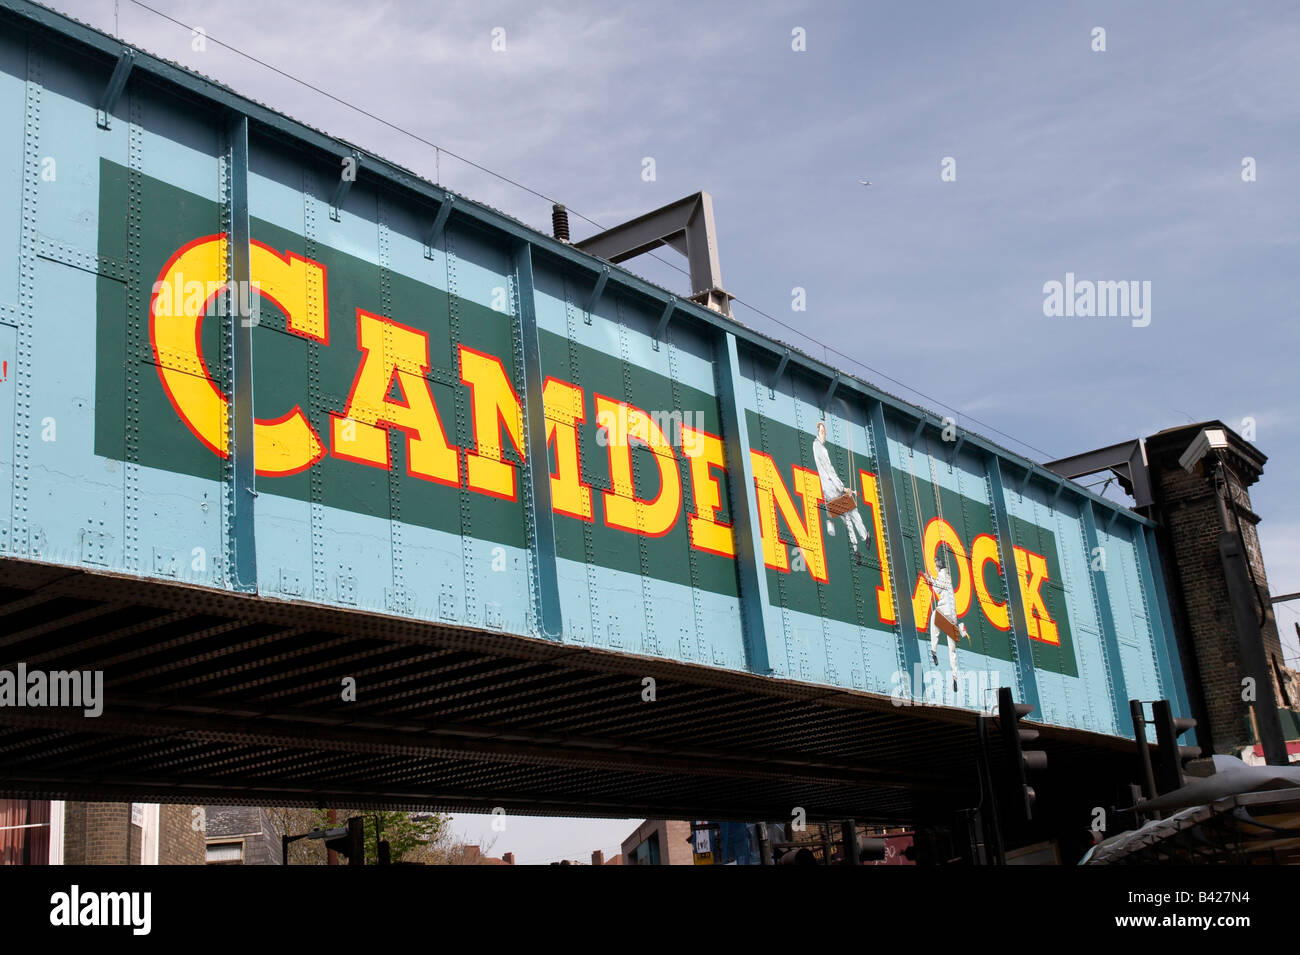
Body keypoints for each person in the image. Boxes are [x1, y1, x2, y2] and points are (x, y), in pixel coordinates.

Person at [812, 421, 869, 560]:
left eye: (824, 432)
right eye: (823, 432)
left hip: (828, 492)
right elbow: (830, 470)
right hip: (834, 489)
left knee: (846, 520)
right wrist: (843, 488)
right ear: (819, 433)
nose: (824, 435)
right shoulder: (821, 449)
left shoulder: (815, 447)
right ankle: (864, 536)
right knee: (853, 512)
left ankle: (855, 548)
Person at [922, 558, 968, 693]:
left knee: (934, 619)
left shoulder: (942, 575)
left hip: (945, 611)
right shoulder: (947, 576)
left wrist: (929, 578)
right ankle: (955, 678)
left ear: (937, 567)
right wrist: (931, 578)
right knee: (952, 650)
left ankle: (934, 650)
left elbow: (937, 589)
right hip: (953, 617)